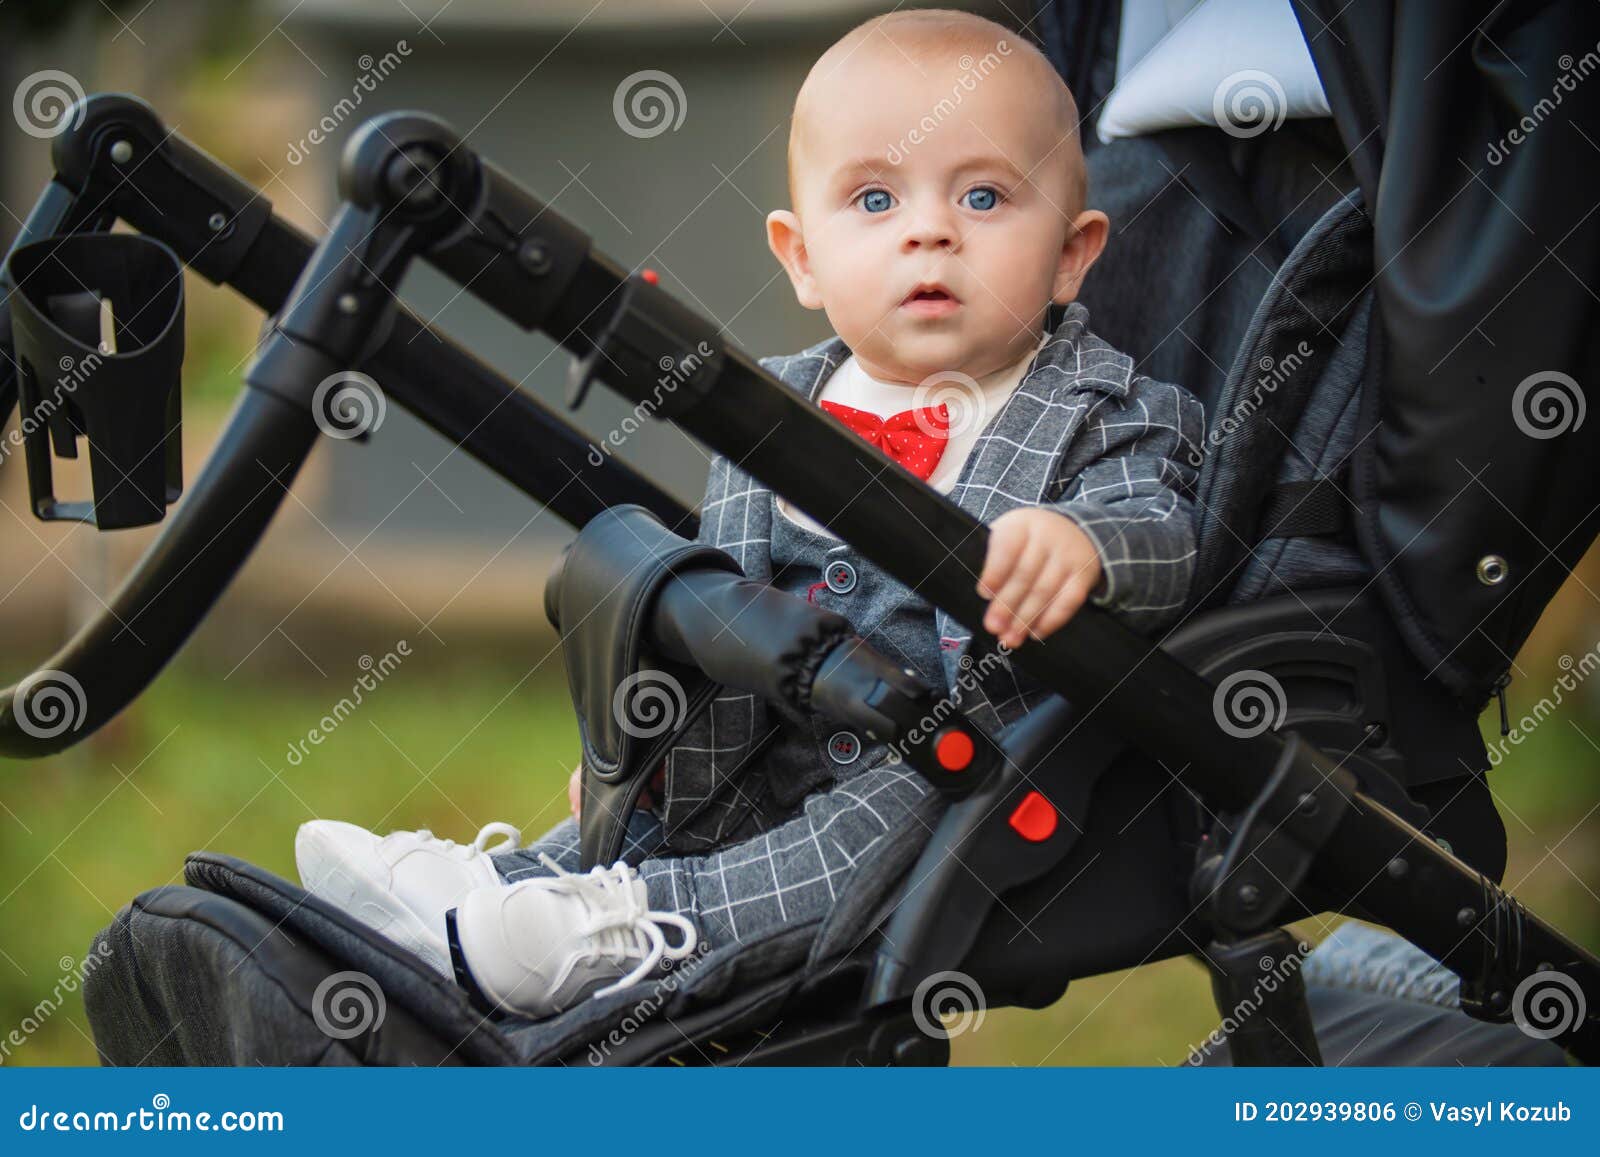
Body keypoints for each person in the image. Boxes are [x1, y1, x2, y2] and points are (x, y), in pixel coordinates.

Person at [294, 8, 1206, 1020]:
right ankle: (496, 900)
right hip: (757, 735)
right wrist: (633, 753)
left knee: (893, 812)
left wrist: (1085, 541)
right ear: (802, 255)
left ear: (1074, 254)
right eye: (873, 197)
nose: (930, 228)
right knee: (647, 797)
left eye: (984, 195)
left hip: (955, 764)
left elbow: (1170, 535)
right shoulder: (766, 409)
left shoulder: (1108, 413)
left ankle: (637, 922)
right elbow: (722, 593)